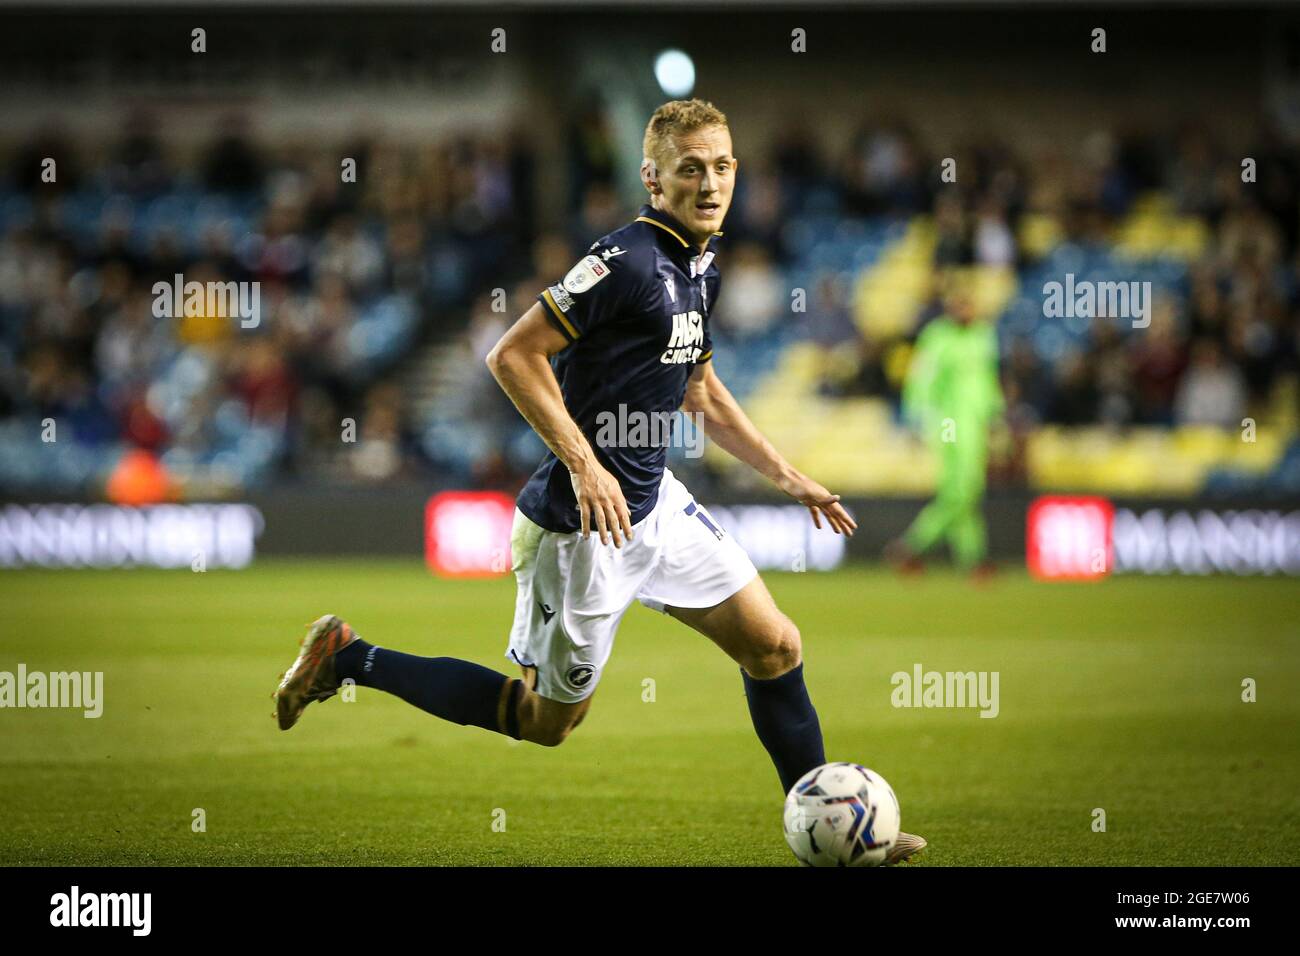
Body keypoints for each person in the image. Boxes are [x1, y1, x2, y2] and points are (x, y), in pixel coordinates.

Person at [275, 99, 925, 864]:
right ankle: (349, 657)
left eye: (720, 167)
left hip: (655, 506)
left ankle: (834, 828)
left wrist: (790, 476)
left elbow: (703, 392)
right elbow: (513, 355)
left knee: (776, 646)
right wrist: (586, 464)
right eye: (690, 170)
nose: (709, 183)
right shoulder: (627, 262)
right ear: (653, 179)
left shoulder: (700, 264)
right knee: (545, 722)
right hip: (582, 529)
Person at [888, 285, 1003, 578]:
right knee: (964, 491)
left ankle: (917, 551)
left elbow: (989, 380)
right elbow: (921, 380)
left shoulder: (983, 335)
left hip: (975, 426)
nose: (965, 311)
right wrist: (916, 418)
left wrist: (995, 417)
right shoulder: (936, 336)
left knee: (961, 494)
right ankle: (967, 559)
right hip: (948, 425)